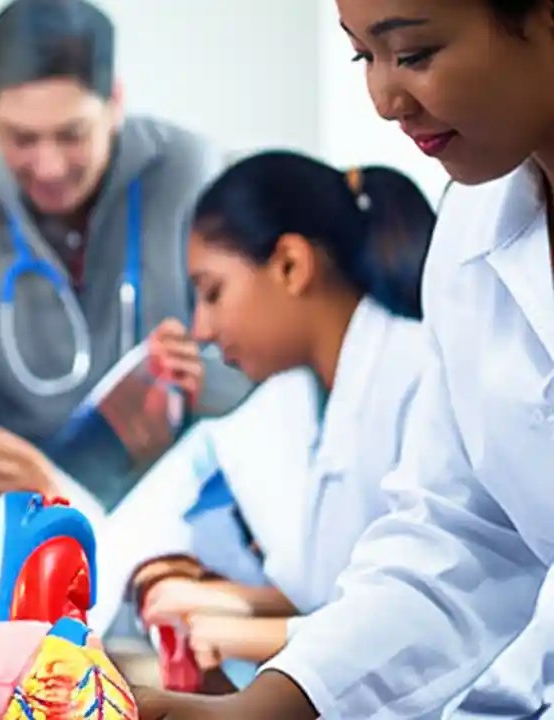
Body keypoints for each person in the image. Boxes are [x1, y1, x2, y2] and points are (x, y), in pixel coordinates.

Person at [135, 0, 554, 717]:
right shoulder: (472, 232)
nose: (385, 101)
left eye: (414, 53)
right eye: (364, 57)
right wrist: (266, 708)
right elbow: (459, 539)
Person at [0, 0, 250, 509]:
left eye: (72, 135)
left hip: (174, 506)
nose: (47, 167)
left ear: (115, 101)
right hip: (15, 517)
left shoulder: (192, 174)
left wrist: (205, 387)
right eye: (20, 138)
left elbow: (271, 373)